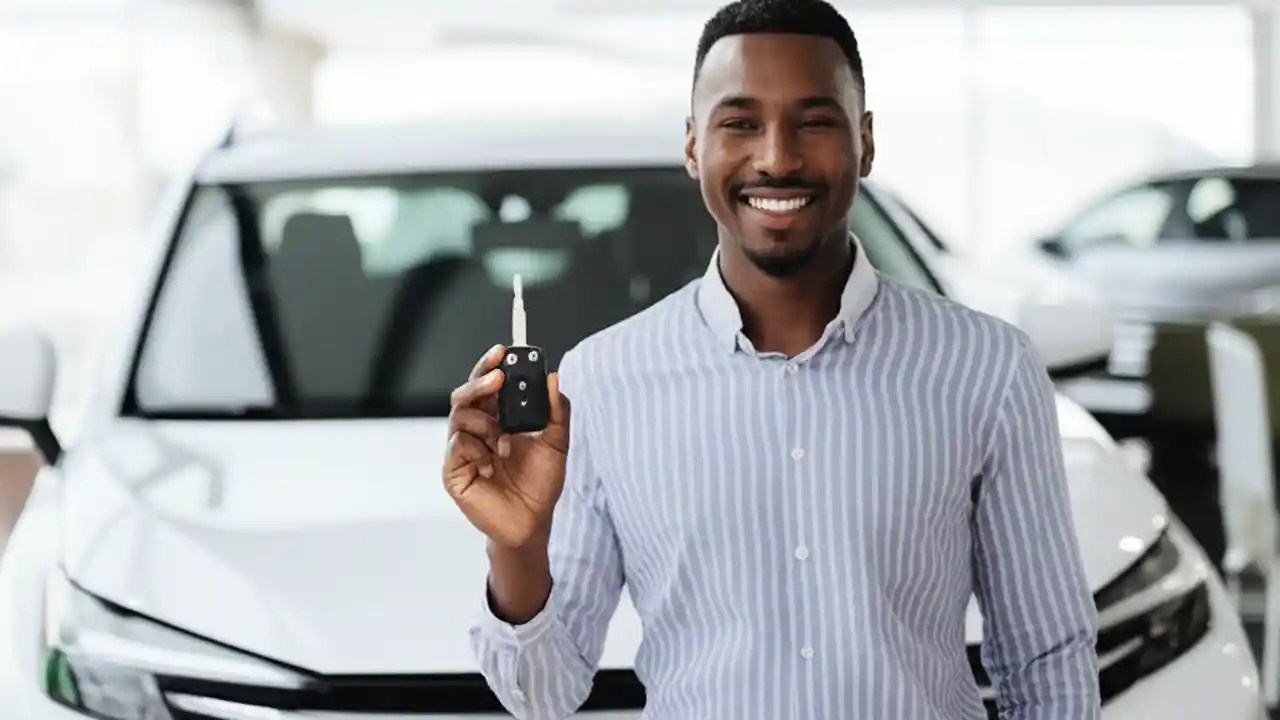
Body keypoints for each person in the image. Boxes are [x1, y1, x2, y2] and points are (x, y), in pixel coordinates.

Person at [443, 0, 1102, 717]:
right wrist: (519, 547)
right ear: (694, 145)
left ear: (867, 142)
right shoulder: (604, 381)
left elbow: (1048, 663)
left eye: (815, 121)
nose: (778, 157)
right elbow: (542, 696)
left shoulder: (986, 368)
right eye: (740, 123)